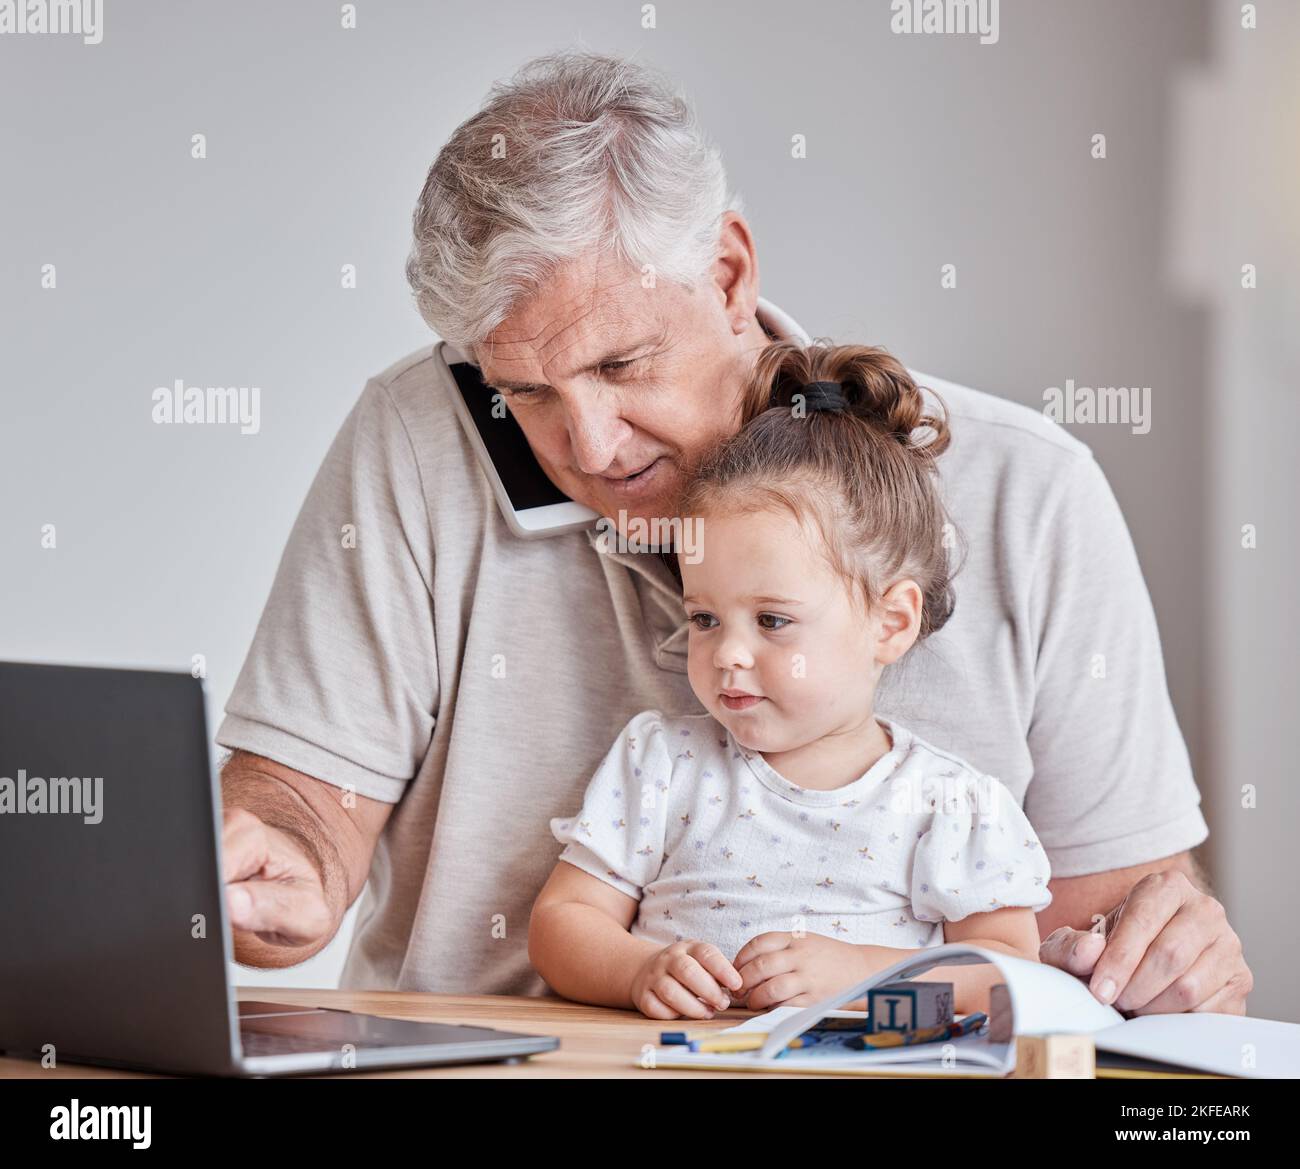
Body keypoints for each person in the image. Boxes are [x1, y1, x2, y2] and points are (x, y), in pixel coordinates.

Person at [218, 49, 1250, 1016]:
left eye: (621, 365)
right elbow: (301, 812)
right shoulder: (417, 438)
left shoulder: (1030, 491)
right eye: (523, 390)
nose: (586, 442)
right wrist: (274, 869)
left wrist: (1158, 957)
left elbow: (1084, 943)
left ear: (727, 274)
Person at [531, 342, 1052, 1019]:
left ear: (890, 622)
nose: (728, 655)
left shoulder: (948, 803)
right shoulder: (662, 764)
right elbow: (563, 920)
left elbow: (1010, 969)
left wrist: (863, 975)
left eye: (772, 620)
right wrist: (637, 969)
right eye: (707, 618)